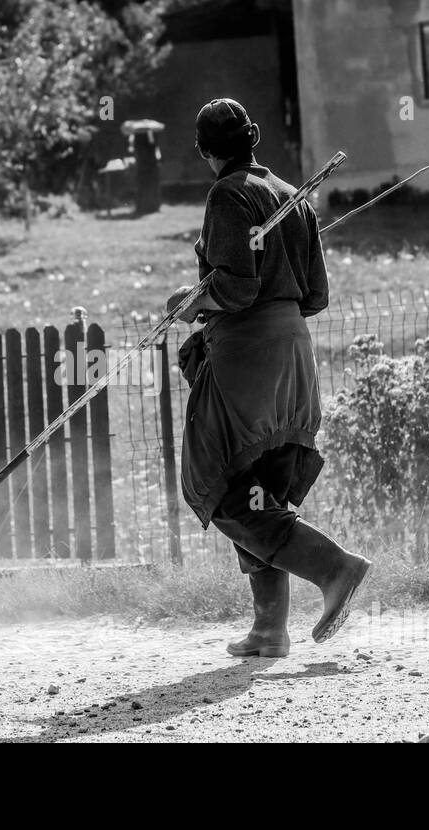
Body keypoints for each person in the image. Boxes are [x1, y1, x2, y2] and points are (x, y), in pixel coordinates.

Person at [167, 98, 371, 658]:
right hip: (293, 352)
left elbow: (236, 286)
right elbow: (317, 294)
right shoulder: (290, 196)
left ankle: (335, 568)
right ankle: (267, 630)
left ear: (205, 150)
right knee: (262, 485)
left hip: (247, 353)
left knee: (223, 484)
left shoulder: (227, 194)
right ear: (253, 138)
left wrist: (191, 300)